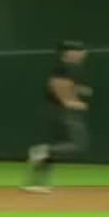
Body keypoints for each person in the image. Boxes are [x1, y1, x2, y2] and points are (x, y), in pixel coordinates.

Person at [23, 40, 91, 193]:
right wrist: (76, 102)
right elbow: (63, 95)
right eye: (78, 51)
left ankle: (36, 183)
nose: (83, 54)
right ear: (68, 53)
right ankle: (42, 151)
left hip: (58, 112)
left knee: (58, 148)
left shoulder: (72, 69)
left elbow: (74, 89)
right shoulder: (62, 69)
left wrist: (79, 93)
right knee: (78, 145)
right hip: (63, 113)